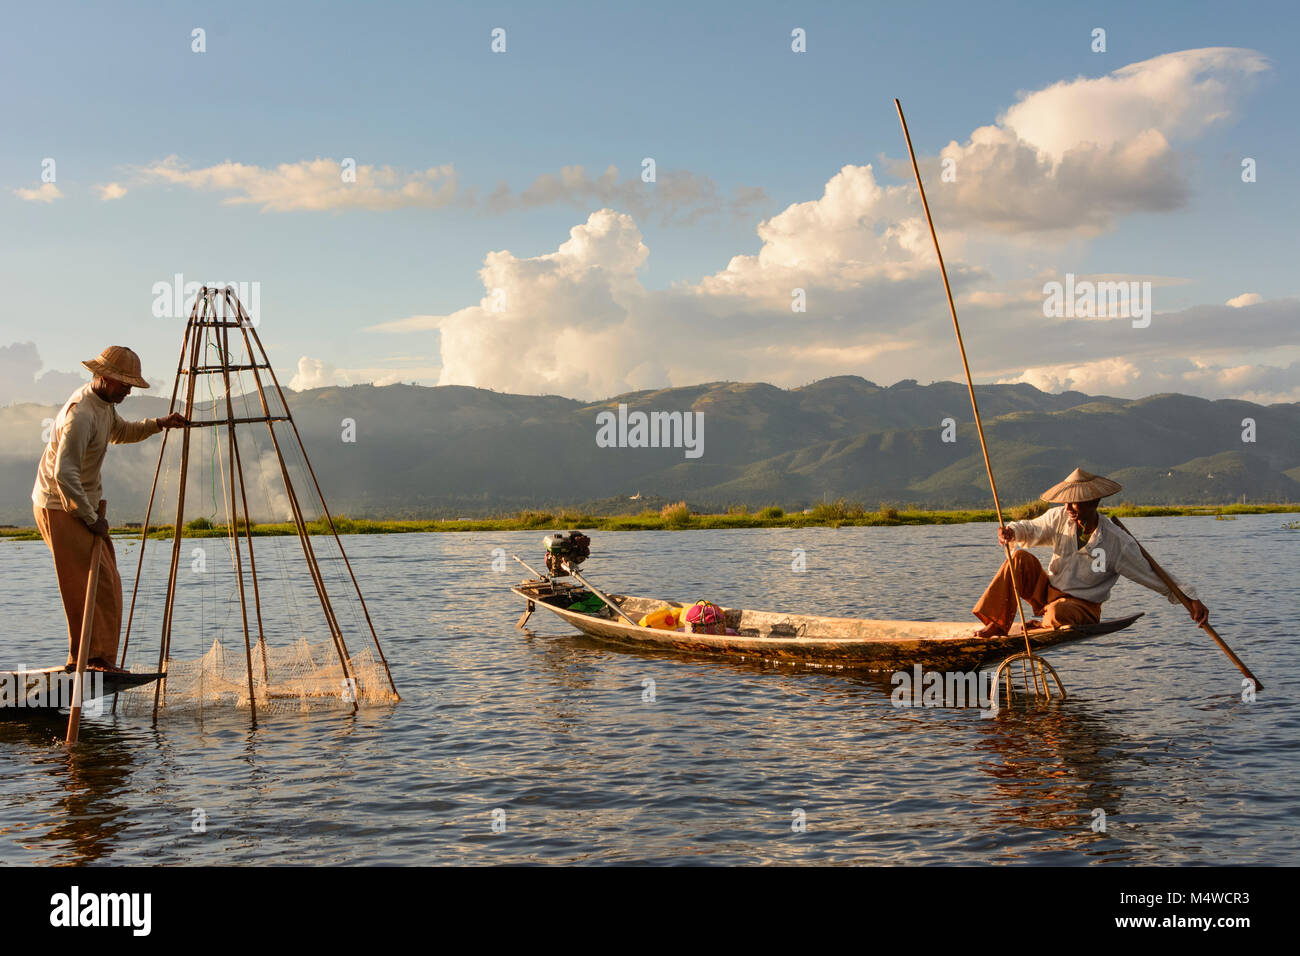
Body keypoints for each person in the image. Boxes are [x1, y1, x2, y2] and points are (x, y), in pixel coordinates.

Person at [31, 346, 187, 672]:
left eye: (131, 385)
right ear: (104, 378)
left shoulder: (104, 406)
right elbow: (64, 474)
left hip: (78, 503)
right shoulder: (81, 414)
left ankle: (98, 659)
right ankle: (87, 661)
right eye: (124, 384)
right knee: (86, 584)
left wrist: (159, 423)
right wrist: (89, 517)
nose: (129, 390)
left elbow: (120, 432)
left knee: (107, 582)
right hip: (59, 504)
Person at [972, 467, 1209, 637]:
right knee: (1019, 558)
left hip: (1081, 608)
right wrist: (1012, 532)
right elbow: (1031, 528)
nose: (1068, 508)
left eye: (1074, 502)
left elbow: (1151, 574)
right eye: (1066, 502)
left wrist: (1189, 598)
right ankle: (997, 624)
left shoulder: (1116, 542)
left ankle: (1045, 623)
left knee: (1057, 612)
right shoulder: (1059, 518)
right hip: (1048, 594)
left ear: (1093, 502)